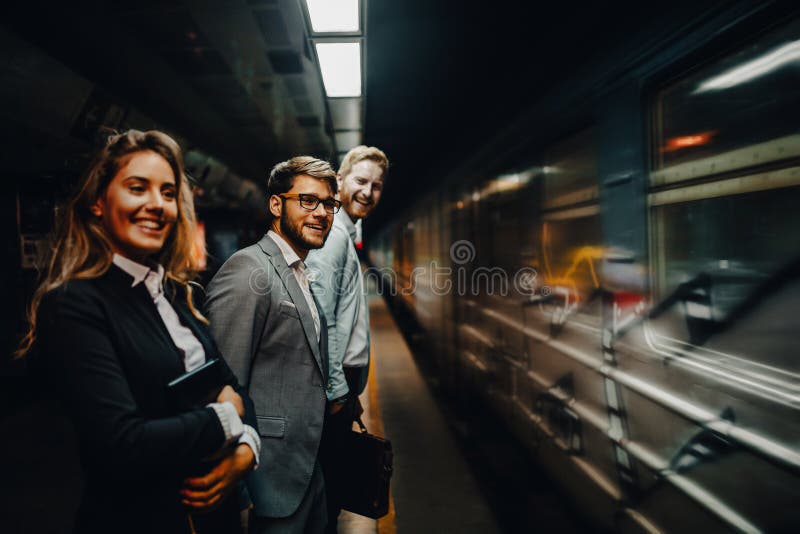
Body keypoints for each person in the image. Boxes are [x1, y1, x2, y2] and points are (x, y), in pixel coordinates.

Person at [19, 130, 261, 533]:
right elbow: (122, 444)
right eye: (137, 188)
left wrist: (246, 452)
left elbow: (234, 388)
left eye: (168, 193)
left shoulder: (174, 293)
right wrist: (224, 416)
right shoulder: (75, 305)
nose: (156, 204)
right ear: (98, 203)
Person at [205, 156, 340, 533]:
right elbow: (222, 384)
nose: (321, 213)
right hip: (266, 479)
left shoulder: (299, 271)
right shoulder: (248, 270)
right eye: (308, 201)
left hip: (307, 469)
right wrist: (239, 494)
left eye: (329, 204)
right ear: (277, 205)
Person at [305, 145, 388, 531]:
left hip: (339, 398)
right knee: (325, 504)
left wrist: (349, 398)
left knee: (330, 501)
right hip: (330, 401)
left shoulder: (343, 233)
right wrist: (338, 394)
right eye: (360, 181)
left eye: (376, 186)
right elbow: (320, 319)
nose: (368, 192)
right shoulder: (335, 236)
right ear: (338, 181)